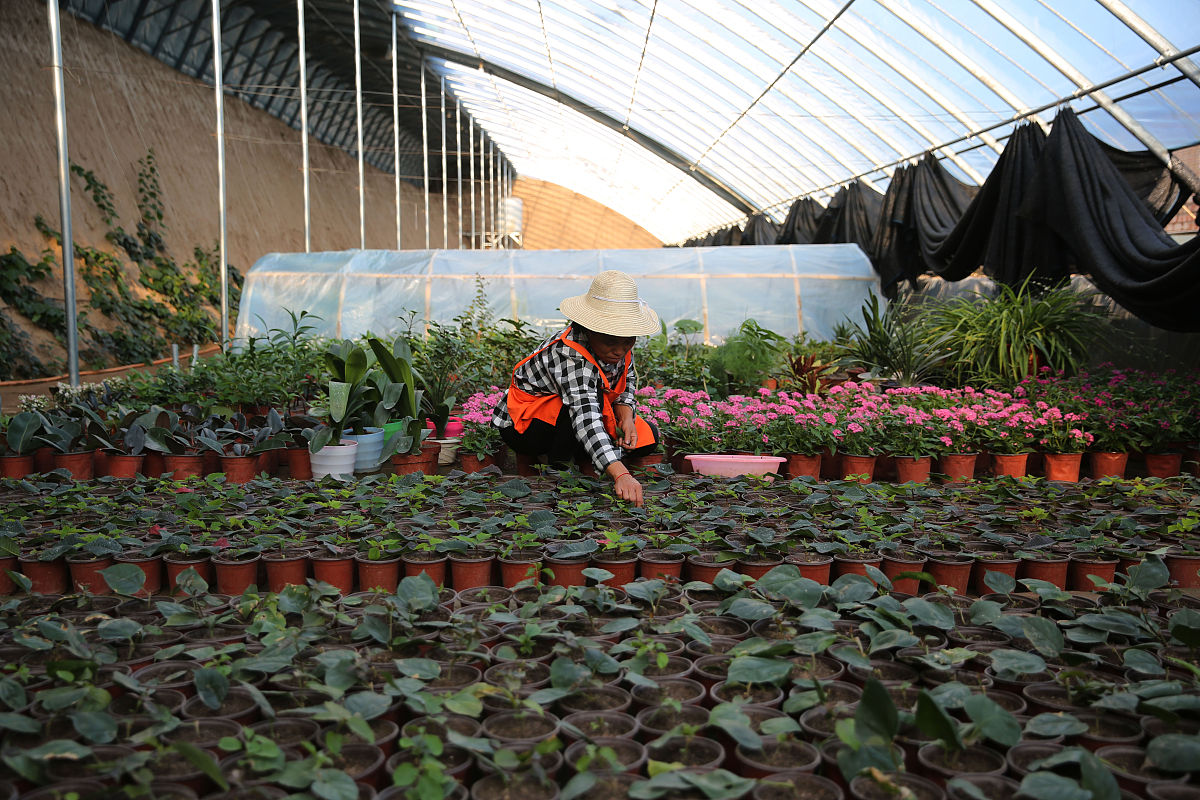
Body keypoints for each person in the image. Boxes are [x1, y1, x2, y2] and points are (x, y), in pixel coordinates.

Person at [491, 270, 661, 506]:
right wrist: (621, 474)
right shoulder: (571, 355)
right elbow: (585, 417)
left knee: (647, 435)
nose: (620, 350)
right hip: (524, 426)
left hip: (573, 417)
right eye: (612, 342)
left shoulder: (618, 345)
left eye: (628, 340)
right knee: (583, 411)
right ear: (590, 328)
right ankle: (559, 471)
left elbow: (627, 381)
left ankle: (590, 461)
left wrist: (627, 415)